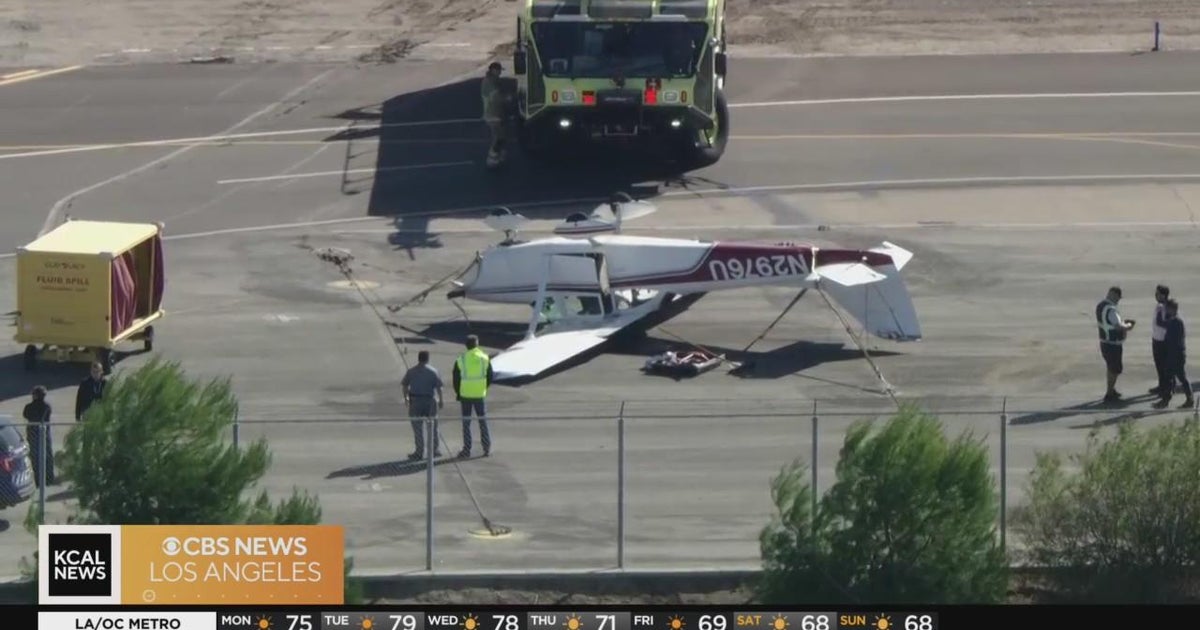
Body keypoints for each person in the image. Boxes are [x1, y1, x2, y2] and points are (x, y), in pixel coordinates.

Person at [452, 334, 494, 457]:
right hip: (479, 394)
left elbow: (456, 379)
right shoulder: (485, 358)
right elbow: (490, 376)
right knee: (482, 421)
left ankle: (467, 449)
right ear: (477, 344)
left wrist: (459, 392)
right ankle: (486, 448)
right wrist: (483, 387)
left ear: (466, 346)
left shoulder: (461, 360)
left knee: (466, 423)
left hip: (465, 395)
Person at [401, 350, 444, 460]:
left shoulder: (411, 372)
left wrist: (406, 398)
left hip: (415, 401)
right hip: (430, 401)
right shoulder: (434, 371)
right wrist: (441, 400)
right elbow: (439, 388)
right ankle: (435, 450)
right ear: (428, 359)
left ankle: (419, 452)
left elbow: (405, 385)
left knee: (417, 428)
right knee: (433, 426)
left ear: (418, 358)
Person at [1096, 286, 1135, 403]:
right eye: (1118, 298)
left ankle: (1111, 390)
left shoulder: (1101, 306)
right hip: (1113, 344)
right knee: (1115, 369)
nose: (1118, 301)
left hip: (1104, 342)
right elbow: (1118, 326)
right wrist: (1128, 326)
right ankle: (1109, 393)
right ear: (1114, 295)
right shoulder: (1111, 309)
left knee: (1110, 367)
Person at [1153, 299, 1194, 409]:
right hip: (1173, 354)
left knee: (1181, 377)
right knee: (1168, 377)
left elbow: (1162, 324)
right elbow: (1161, 323)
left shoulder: (1176, 322)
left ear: (1171, 309)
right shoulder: (1173, 320)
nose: (1165, 310)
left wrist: (1158, 311)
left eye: (1167, 308)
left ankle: (1189, 399)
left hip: (1176, 355)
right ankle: (1166, 400)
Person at [22, 386, 55, 487]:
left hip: (33, 432)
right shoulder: (47, 406)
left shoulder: (29, 406)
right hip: (44, 432)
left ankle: (36, 478)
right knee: (47, 454)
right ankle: (48, 478)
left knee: (34, 455)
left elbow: (25, 415)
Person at [481, 62, 509, 168]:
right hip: (492, 114)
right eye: (499, 70)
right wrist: (508, 98)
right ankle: (492, 158)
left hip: (497, 113)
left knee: (500, 136)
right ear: (493, 70)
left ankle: (498, 156)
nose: (500, 72)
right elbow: (496, 98)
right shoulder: (489, 82)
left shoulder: (493, 81)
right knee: (498, 137)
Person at [1150, 285, 1170, 395]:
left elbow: (1167, 323)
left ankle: (1166, 388)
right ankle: (1161, 385)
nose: (1156, 295)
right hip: (1156, 339)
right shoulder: (1159, 306)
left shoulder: (1166, 307)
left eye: (1157, 293)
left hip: (1163, 341)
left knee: (1164, 366)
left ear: (1163, 295)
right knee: (1159, 365)